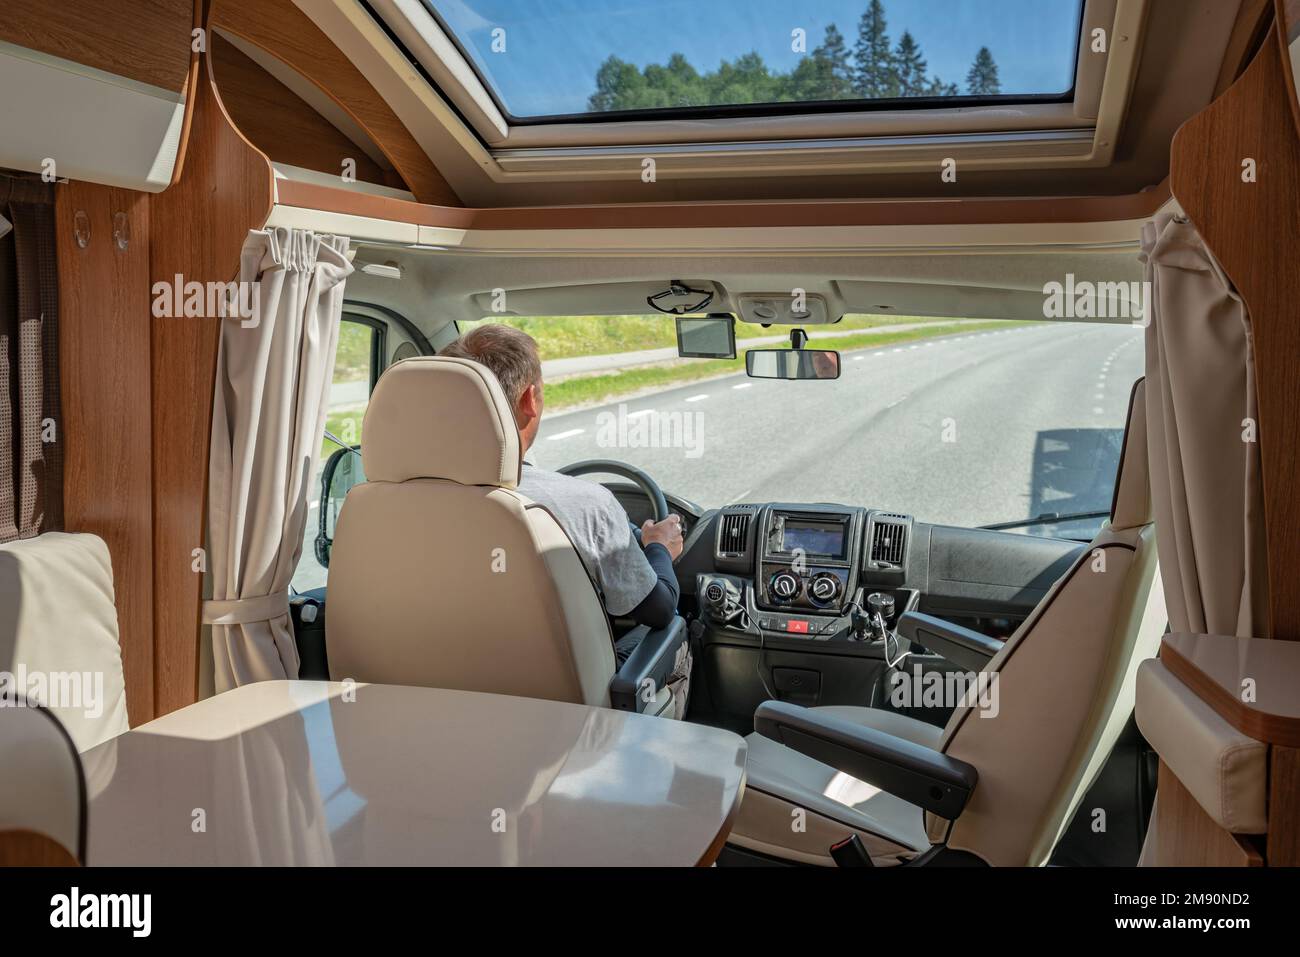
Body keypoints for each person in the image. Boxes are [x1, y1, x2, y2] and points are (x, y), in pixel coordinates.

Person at [439, 324, 683, 663]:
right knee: (679, 633)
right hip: (561, 711)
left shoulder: (380, 508)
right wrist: (659, 547)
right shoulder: (584, 504)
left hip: (423, 698)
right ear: (529, 400)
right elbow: (659, 611)